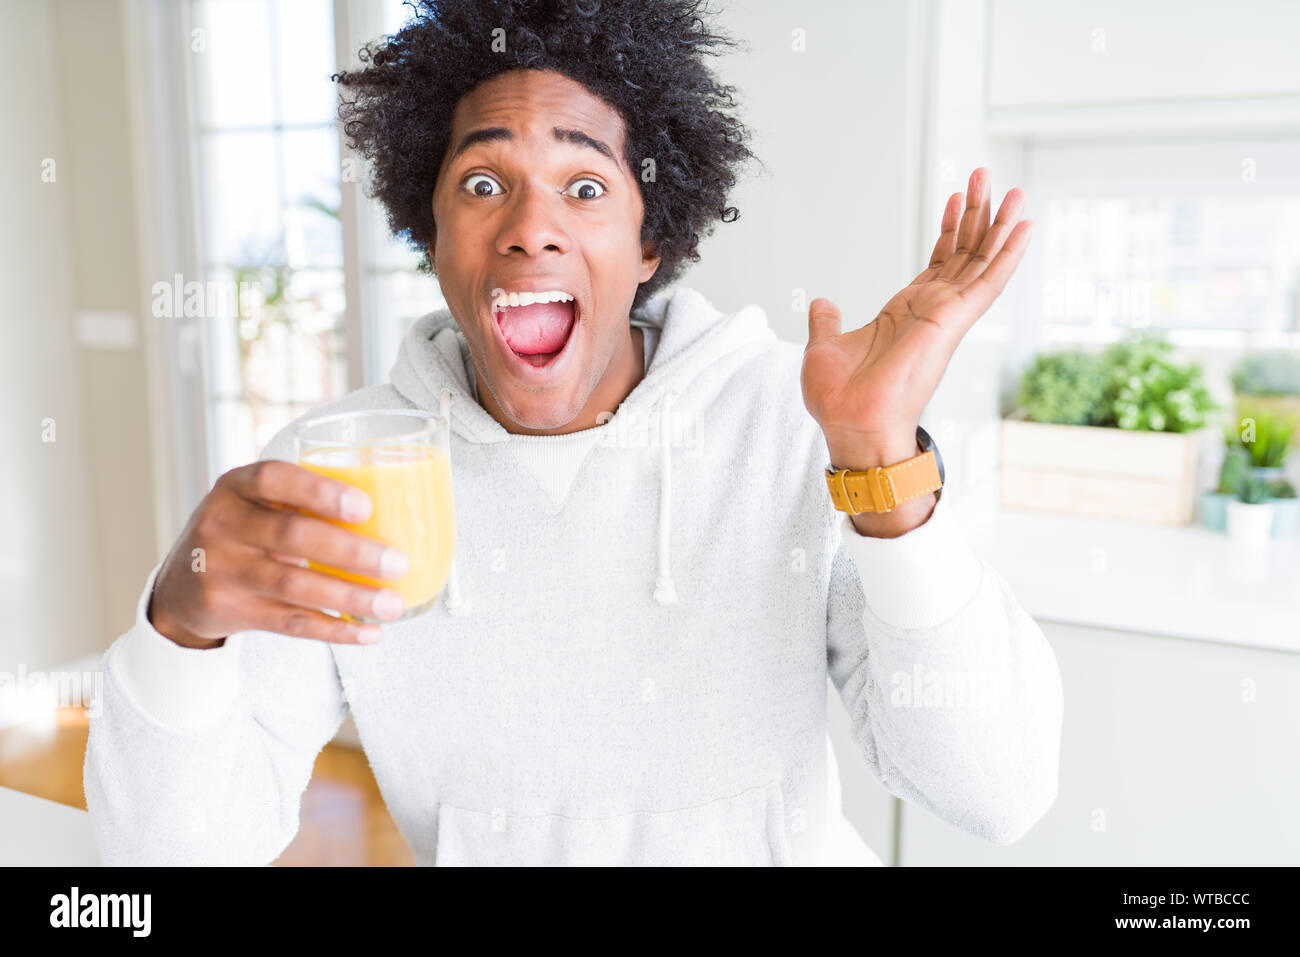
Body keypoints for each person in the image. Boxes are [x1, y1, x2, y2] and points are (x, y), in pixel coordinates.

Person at [85, 0, 1062, 866]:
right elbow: (174, 856)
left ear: (649, 242)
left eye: (584, 187)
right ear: (427, 235)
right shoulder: (340, 469)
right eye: (481, 184)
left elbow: (995, 791)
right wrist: (179, 627)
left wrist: (882, 461)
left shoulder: (795, 425)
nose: (529, 226)